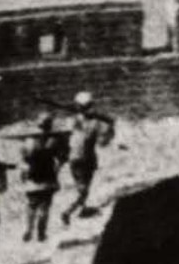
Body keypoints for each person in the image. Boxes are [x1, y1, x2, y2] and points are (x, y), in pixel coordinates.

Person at [62, 94, 116, 224]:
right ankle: (69, 211)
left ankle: (82, 208)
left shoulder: (73, 120)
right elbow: (103, 142)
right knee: (84, 189)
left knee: (81, 187)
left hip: (73, 158)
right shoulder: (96, 123)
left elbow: (69, 134)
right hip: (87, 159)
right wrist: (110, 127)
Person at [18, 115, 61, 241]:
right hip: (48, 179)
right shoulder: (54, 140)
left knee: (31, 206)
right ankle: (41, 233)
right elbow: (59, 159)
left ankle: (28, 229)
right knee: (45, 207)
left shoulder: (28, 141)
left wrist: (23, 176)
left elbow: (23, 160)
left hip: (32, 180)